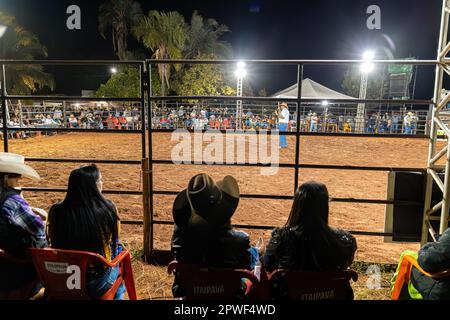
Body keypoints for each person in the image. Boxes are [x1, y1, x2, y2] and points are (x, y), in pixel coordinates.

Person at [263, 181, 357, 299]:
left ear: (297, 205)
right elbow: (346, 263)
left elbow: (267, 265)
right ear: (325, 206)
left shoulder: (282, 238)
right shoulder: (345, 241)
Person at [171, 173, 259, 298]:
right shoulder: (239, 241)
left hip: (192, 293)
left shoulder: (179, 240)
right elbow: (246, 266)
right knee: (254, 256)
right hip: (228, 294)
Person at [46, 164, 125, 300]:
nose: (102, 183)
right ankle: (117, 294)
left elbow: (51, 238)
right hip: (95, 284)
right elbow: (114, 236)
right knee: (119, 250)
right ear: (93, 186)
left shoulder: (56, 211)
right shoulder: (109, 209)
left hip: (62, 278)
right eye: (100, 180)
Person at [0, 152, 47, 296]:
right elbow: (37, 228)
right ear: (7, 178)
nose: (19, 180)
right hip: (16, 263)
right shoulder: (12, 200)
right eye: (17, 178)